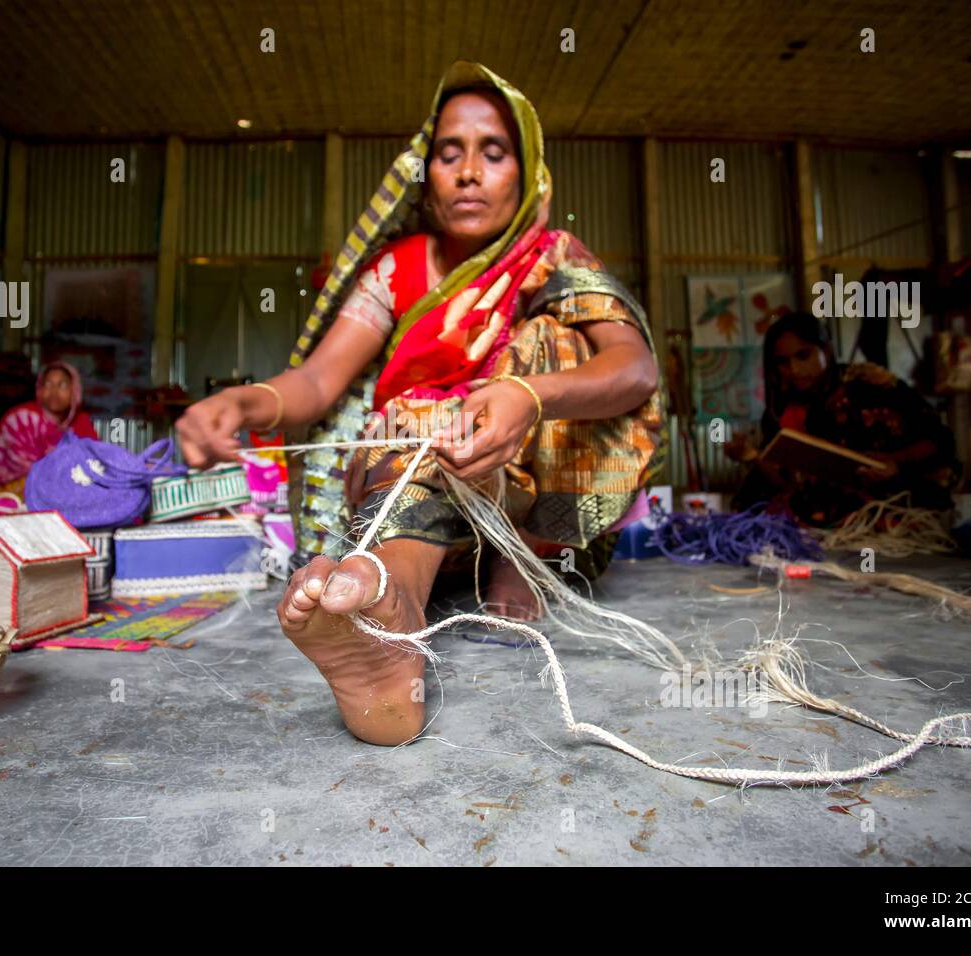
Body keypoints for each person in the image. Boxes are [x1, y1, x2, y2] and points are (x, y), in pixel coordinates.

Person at [176, 62, 664, 746]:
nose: (468, 172)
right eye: (448, 153)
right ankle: (390, 610)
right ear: (425, 172)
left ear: (527, 175)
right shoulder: (396, 267)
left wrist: (526, 394)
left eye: (493, 153)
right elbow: (316, 385)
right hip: (406, 474)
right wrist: (244, 401)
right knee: (405, 419)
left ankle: (519, 559)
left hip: (530, 490)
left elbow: (635, 369)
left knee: (557, 340)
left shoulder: (553, 258)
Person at [727, 311, 958, 524]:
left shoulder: (871, 386)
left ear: (825, 350)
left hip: (895, 507)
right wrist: (752, 456)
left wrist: (896, 461)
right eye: (783, 362)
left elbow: (939, 440)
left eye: (804, 355)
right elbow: (787, 484)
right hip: (827, 521)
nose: (795, 369)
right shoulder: (783, 408)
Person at [0, 361, 97, 495]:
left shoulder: (81, 423)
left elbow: (95, 465)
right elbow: (28, 473)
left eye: (62, 385)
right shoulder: (22, 419)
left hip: (61, 495)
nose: (54, 392)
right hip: (12, 499)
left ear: (75, 391)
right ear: (39, 389)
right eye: (48, 384)